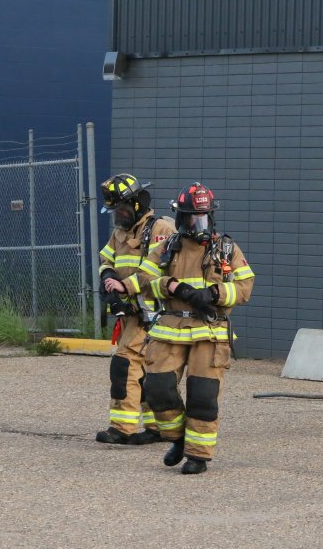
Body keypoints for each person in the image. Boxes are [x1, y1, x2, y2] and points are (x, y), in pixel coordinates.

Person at [118, 182, 254, 474]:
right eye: (192, 217)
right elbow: (144, 280)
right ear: (180, 217)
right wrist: (170, 285)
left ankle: (198, 456)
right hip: (170, 327)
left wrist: (214, 295)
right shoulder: (166, 247)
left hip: (210, 330)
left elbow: (244, 287)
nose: (197, 224)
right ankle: (177, 437)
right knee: (157, 389)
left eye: (202, 217)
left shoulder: (226, 248)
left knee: (203, 395)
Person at [95, 174, 175, 445]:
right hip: (132, 313)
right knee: (147, 372)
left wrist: (124, 287)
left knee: (125, 365)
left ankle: (122, 428)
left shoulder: (161, 229)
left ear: (137, 203)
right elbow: (105, 258)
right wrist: (109, 279)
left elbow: (155, 270)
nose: (118, 214)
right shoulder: (121, 231)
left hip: (153, 314)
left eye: (121, 208)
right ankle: (158, 427)